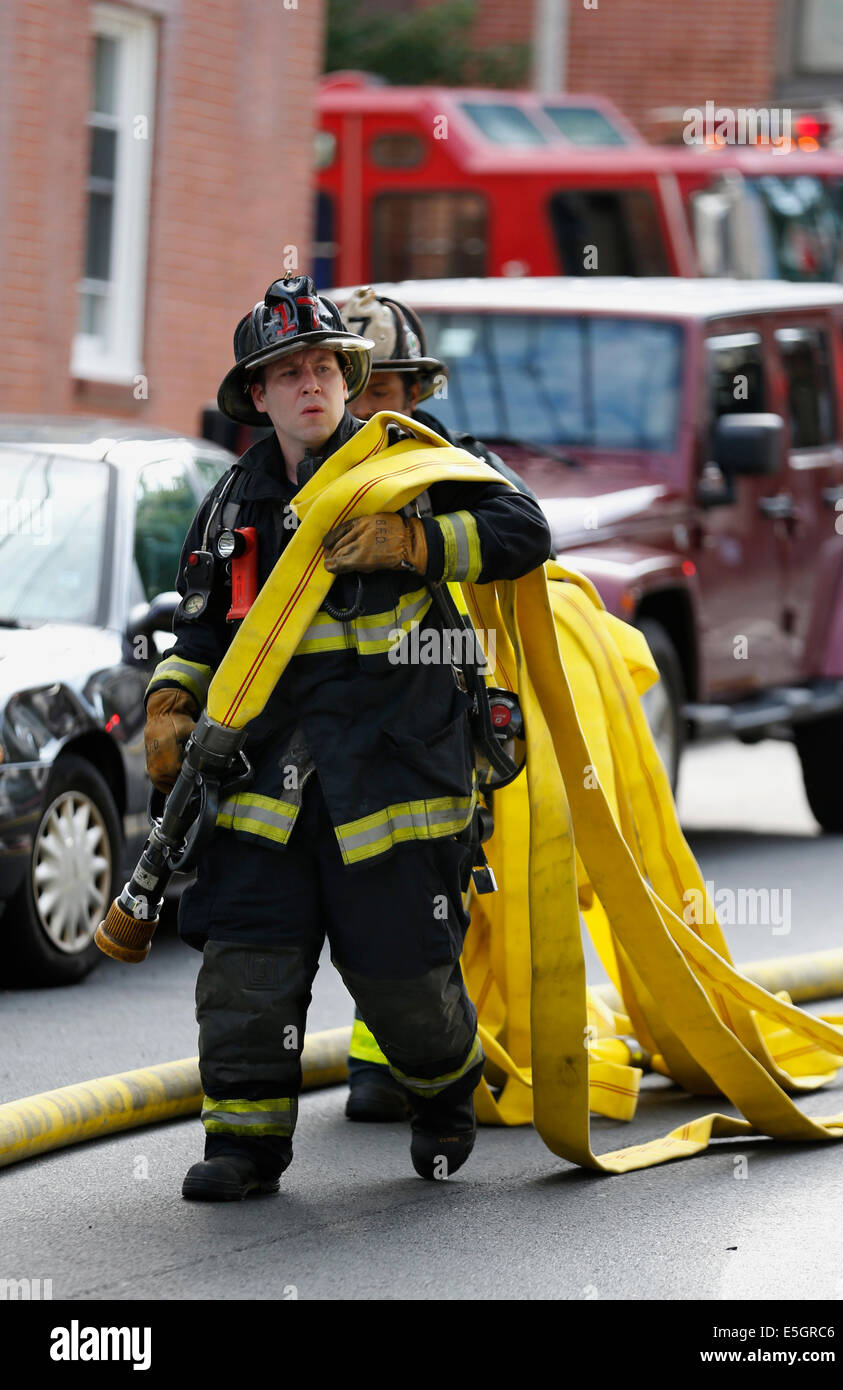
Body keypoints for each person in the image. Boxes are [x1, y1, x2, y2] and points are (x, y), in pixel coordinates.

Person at [143, 273, 551, 1200]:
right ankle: (242, 1149)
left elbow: (523, 529)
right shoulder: (229, 508)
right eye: (288, 372)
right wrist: (171, 704)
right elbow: (203, 633)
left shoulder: (407, 461)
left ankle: (444, 1093)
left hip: (393, 781)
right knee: (247, 971)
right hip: (264, 787)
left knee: (404, 983)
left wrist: (416, 546)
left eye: (325, 365)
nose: (312, 384)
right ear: (258, 394)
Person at [338, 284, 544, 1123]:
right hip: (323, 731)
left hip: (424, 724)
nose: (359, 411)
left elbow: (525, 533)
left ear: (415, 393)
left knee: (422, 890)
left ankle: (394, 1064)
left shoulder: (449, 468)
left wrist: (417, 543)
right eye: (344, 388)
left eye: (378, 391)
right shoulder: (294, 471)